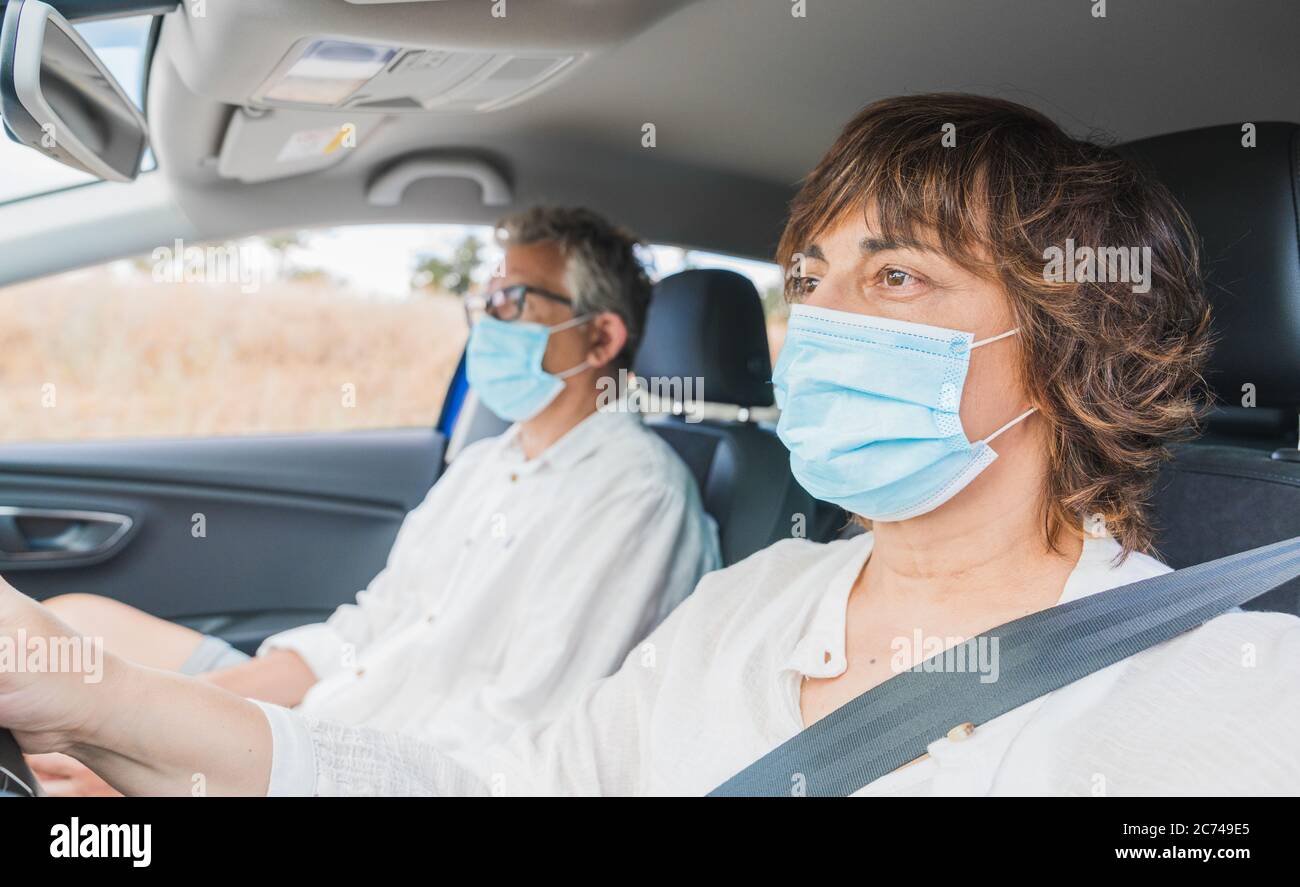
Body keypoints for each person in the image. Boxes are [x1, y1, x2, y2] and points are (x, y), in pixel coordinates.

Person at [3, 94, 1298, 796]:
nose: (826, 317)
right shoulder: (753, 604)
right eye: (812, 273)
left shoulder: (1242, 690)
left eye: (897, 277)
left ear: (1073, 349)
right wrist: (107, 709)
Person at [15, 206, 720, 796]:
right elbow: (372, 622)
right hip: (340, 707)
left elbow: (513, 741)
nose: (489, 322)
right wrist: (209, 705)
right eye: (487, 300)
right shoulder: (486, 463)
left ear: (600, 336)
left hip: (383, 766)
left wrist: (182, 759)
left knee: (71, 764)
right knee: (71, 623)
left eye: (515, 301)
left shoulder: (636, 498)